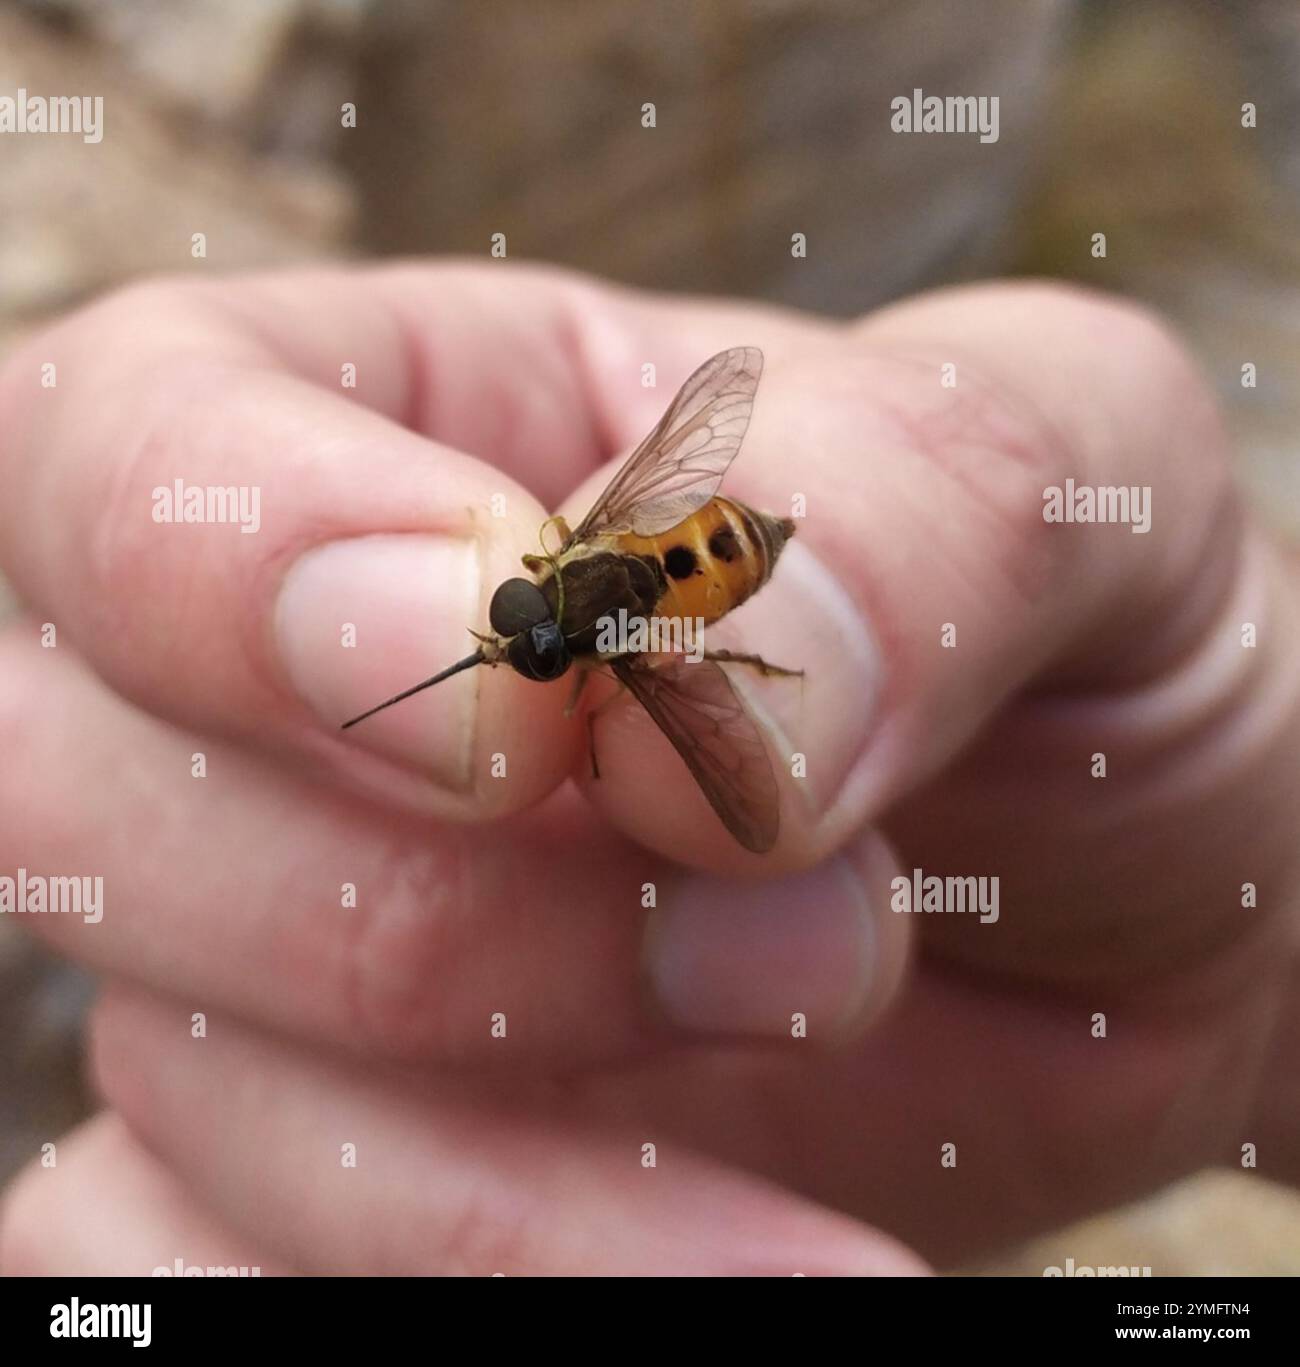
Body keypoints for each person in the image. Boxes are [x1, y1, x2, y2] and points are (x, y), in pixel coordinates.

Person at [0, 263, 1296, 1275]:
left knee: (704, 712)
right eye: (526, 627)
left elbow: (697, 701)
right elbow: (668, 490)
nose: (521, 631)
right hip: (700, 537)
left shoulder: (626, 651)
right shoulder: (580, 574)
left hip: (729, 556)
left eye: (528, 632)